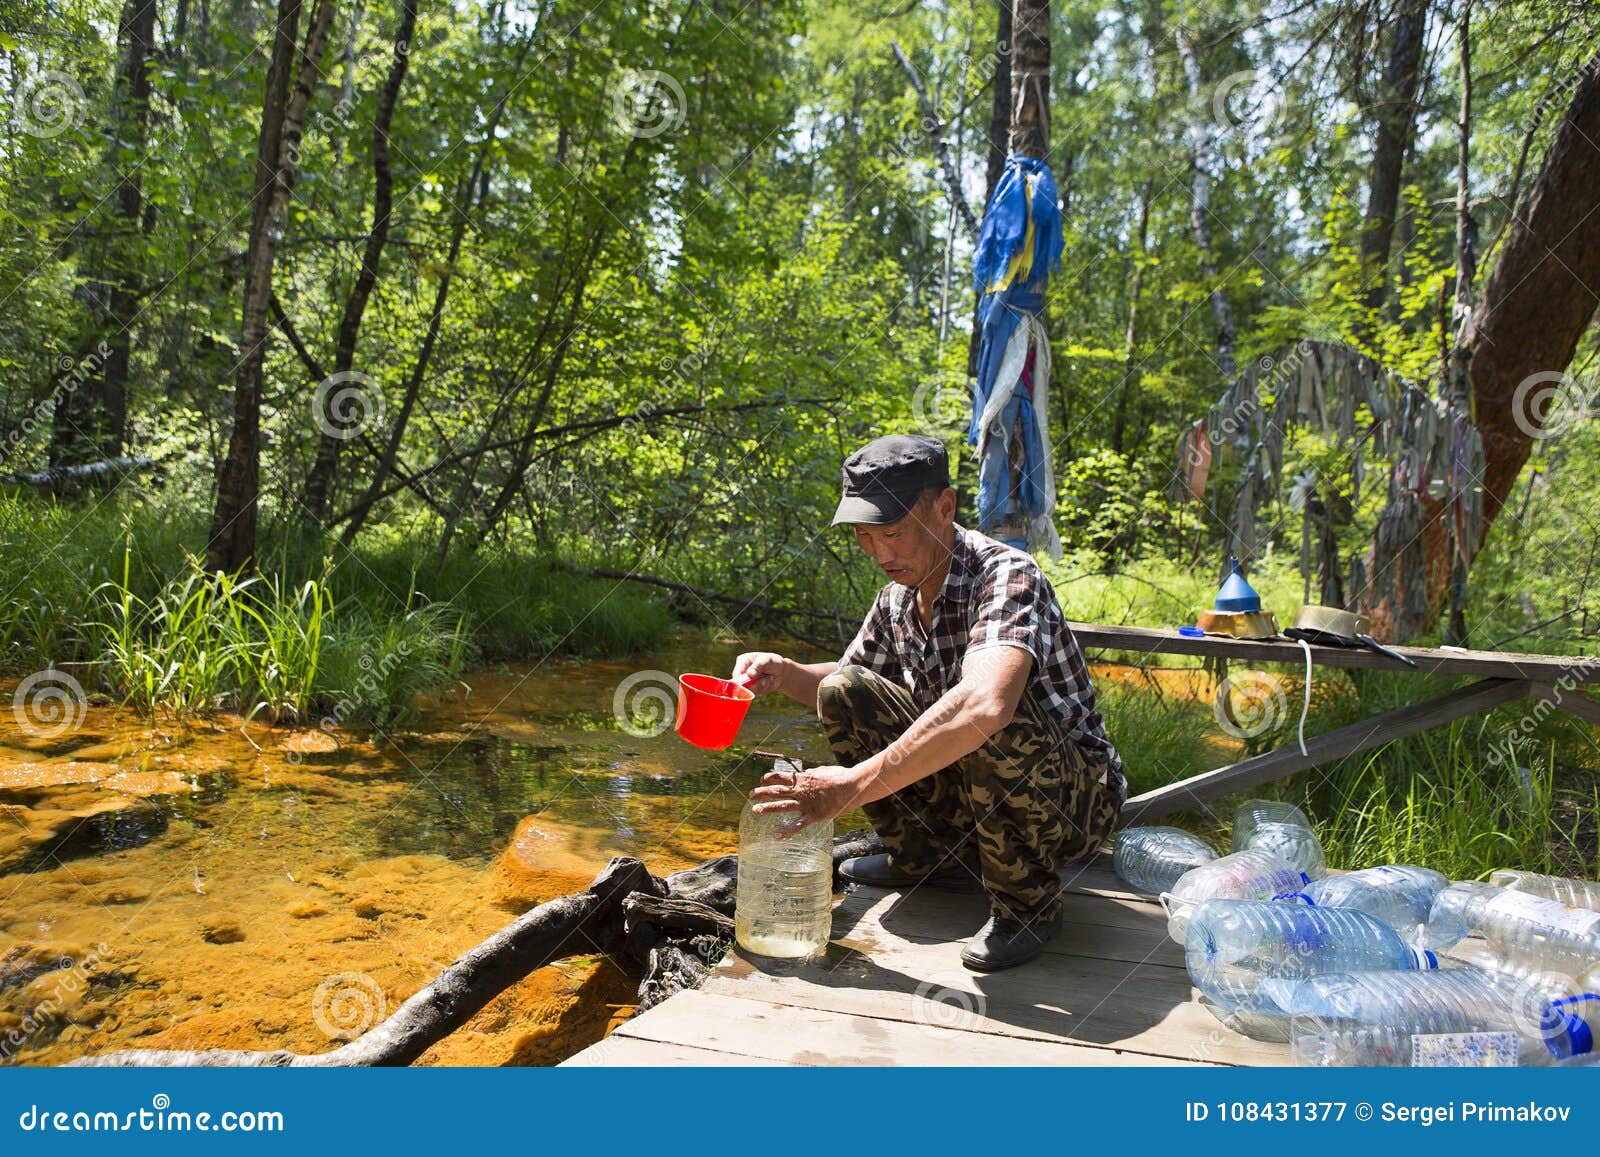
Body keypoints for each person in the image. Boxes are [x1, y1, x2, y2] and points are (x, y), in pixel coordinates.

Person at [734, 433, 1126, 971]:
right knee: (843, 690)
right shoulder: (897, 597)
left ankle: (1027, 904)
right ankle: (925, 860)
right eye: (865, 537)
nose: (881, 554)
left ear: (944, 507)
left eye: (893, 533)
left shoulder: (1007, 575)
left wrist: (851, 785)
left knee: (987, 713)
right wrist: (785, 674)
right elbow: (849, 684)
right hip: (977, 790)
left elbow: (985, 706)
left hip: (1072, 808)